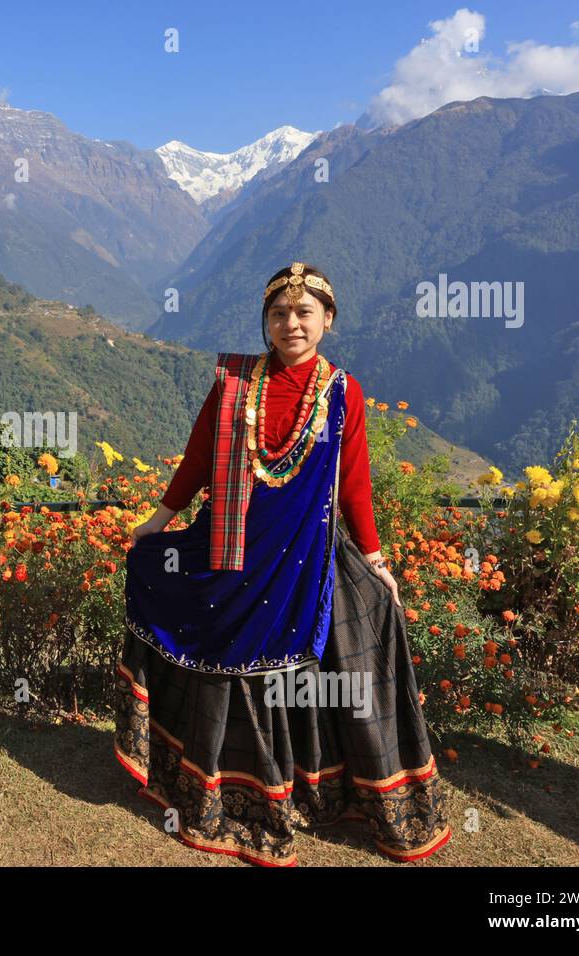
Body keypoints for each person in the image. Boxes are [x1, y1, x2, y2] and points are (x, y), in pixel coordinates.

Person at [113, 262, 451, 866]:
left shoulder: (343, 392)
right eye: (278, 313)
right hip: (230, 549)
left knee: (361, 627)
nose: (290, 324)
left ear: (328, 320)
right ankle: (217, 782)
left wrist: (375, 559)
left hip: (305, 558)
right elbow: (197, 458)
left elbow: (354, 488)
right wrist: (158, 523)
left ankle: (309, 786)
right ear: (265, 322)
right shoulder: (236, 384)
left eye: (303, 313)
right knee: (190, 614)